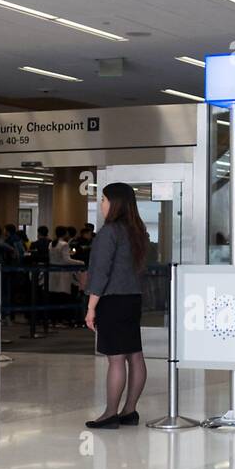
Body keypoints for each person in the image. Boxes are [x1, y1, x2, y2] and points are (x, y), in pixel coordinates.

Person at [84, 182, 149, 429]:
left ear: (115, 203)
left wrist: (91, 307)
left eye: (103, 199)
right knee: (135, 355)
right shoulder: (137, 231)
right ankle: (129, 410)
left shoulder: (109, 232)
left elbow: (100, 273)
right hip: (133, 299)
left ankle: (110, 413)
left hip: (112, 300)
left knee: (115, 359)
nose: (101, 204)